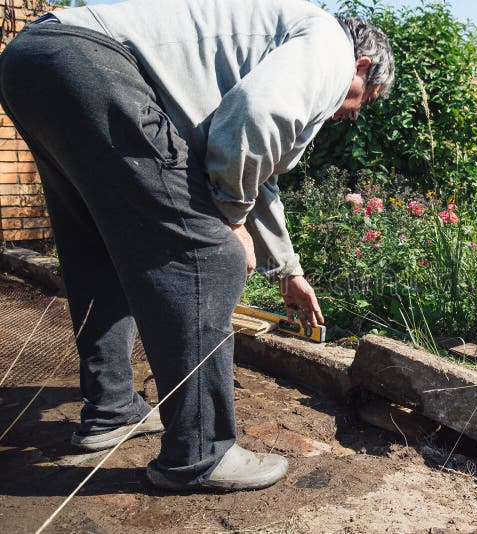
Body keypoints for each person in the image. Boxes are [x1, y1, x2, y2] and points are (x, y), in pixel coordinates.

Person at [0, 0, 394, 491]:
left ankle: (112, 409)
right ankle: (201, 454)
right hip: (90, 62)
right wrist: (230, 223)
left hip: (37, 60)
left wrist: (288, 272)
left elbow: (259, 169)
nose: (348, 112)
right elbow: (257, 115)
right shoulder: (330, 46)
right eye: (361, 99)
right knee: (210, 256)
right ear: (360, 65)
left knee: (97, 251)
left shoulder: (278, 39)